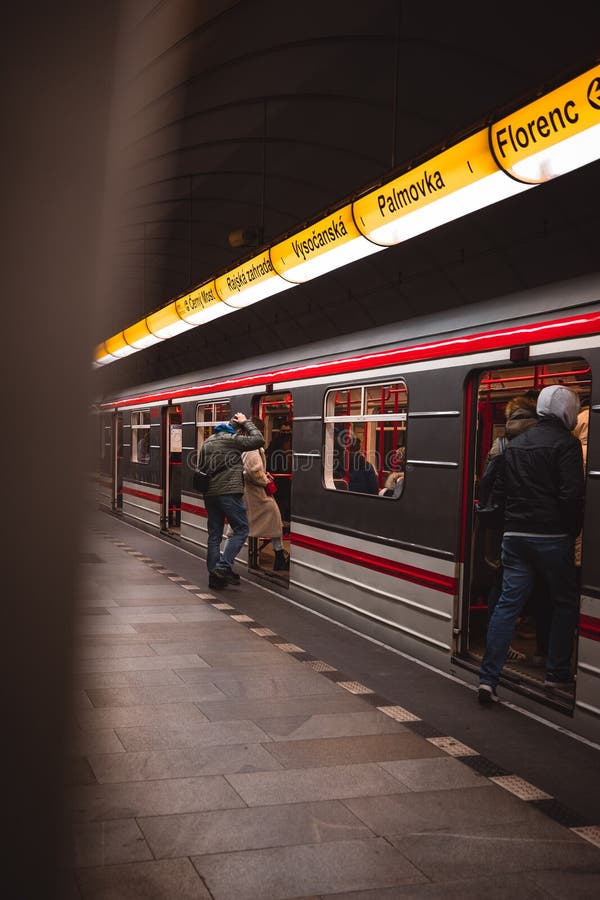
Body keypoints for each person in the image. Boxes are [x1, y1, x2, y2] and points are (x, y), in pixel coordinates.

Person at [478, 385, 584, 704]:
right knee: (564, 602)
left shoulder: (516, 443)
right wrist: (570, 531)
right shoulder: (567, 444)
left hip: (515, 536)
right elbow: (571, 496)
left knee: (508, 604)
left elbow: (498, 488)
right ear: (567, 410)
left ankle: (488, 677)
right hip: (551, 537)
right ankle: (556, 673)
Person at [478, 395, 538, 663]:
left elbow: (488, 486)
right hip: (530, 527)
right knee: (509, 589)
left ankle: (496, 648)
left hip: (503, 526)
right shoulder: (537, 444)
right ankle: (504, 645)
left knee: (502, 587)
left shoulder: (500, 444)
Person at [201, 412, 264, 589]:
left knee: (214, 535)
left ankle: (214, 575)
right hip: (229, 493)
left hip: (210, 494)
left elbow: (201, 468)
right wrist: (247, 423)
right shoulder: (233, 440)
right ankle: (223, 567)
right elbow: (259, 440)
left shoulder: (208, 441)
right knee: (241, 529)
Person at [242, 417, 290, 571]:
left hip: (252, 493)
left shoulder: (248, 445)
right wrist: (265, 480)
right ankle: (278, 555)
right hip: (256, 494)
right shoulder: (251, 448)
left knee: (248, 525)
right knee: (273, 516)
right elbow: (254, 471)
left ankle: (279, 555)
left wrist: (264, 475)